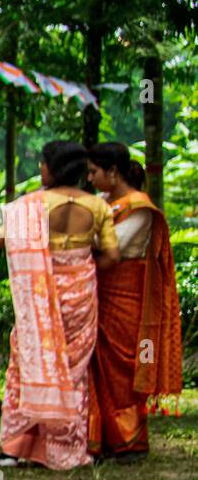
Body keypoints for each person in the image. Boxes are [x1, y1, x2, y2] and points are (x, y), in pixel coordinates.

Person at [0, 140, 120, 470]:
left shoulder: (31, 205)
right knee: (72, 373)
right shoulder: (98, 207)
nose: (40, 168)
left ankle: (14, 450)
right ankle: (64, 447)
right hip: (81, 296)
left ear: (53, 169)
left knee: (28, 364)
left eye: (43, 163)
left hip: (40, 298)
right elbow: (112, 255)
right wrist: (79, 264)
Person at [86, 142, 184, 461]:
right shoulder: (101, 201)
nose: (88, 178)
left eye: (93, 172)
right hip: (96, 291)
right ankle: (99, 438)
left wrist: (79, 231)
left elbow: (112, 246)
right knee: (95, 364)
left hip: (126, 296)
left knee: (124, 368)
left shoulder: (139, 207)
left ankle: (129, 440)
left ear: (112, 173)